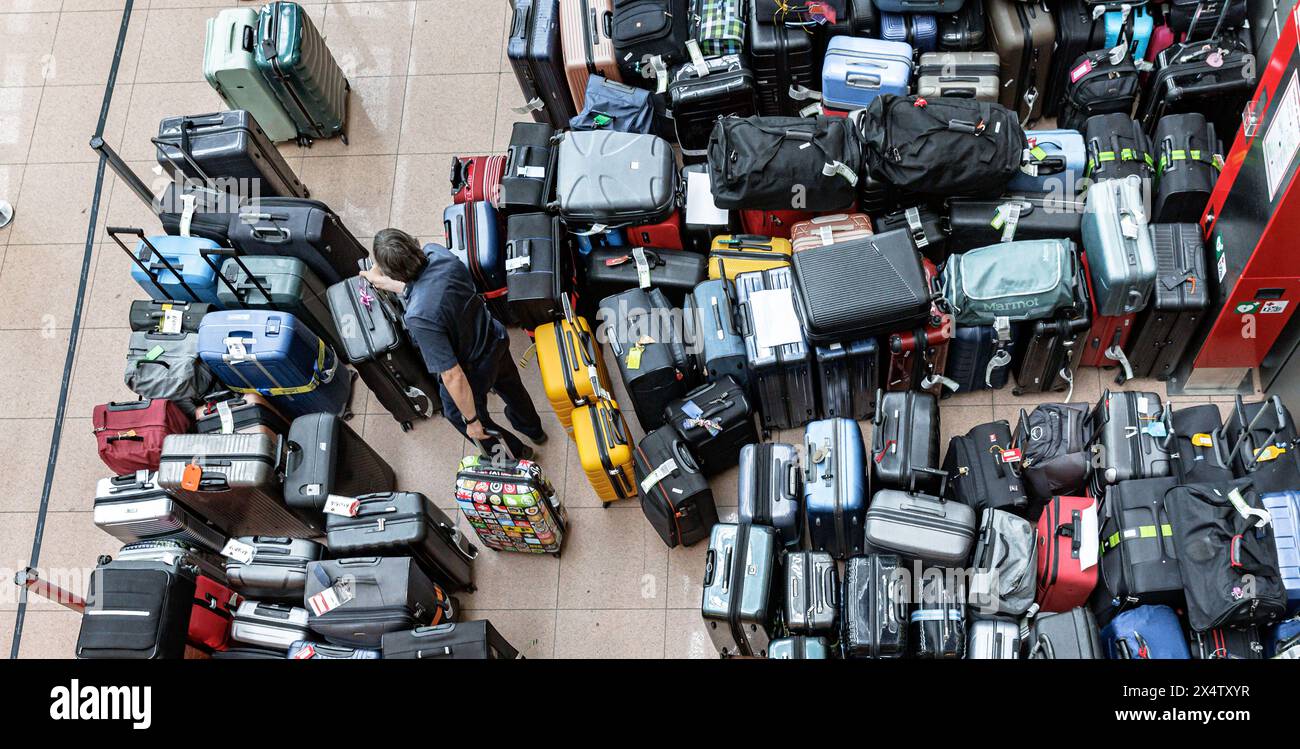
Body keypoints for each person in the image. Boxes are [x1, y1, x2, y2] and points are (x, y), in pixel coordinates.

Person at [361, 228, 547, 461]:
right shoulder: (438, 255)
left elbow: (452, 375)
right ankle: (533, 430)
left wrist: (472, 422)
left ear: (394, 274)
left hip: (473, 370)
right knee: (512, 387)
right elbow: (427, 288)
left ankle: (516, 455)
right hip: (493, 338)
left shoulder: (418, 317)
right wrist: (385, 280)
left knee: (457, 415)